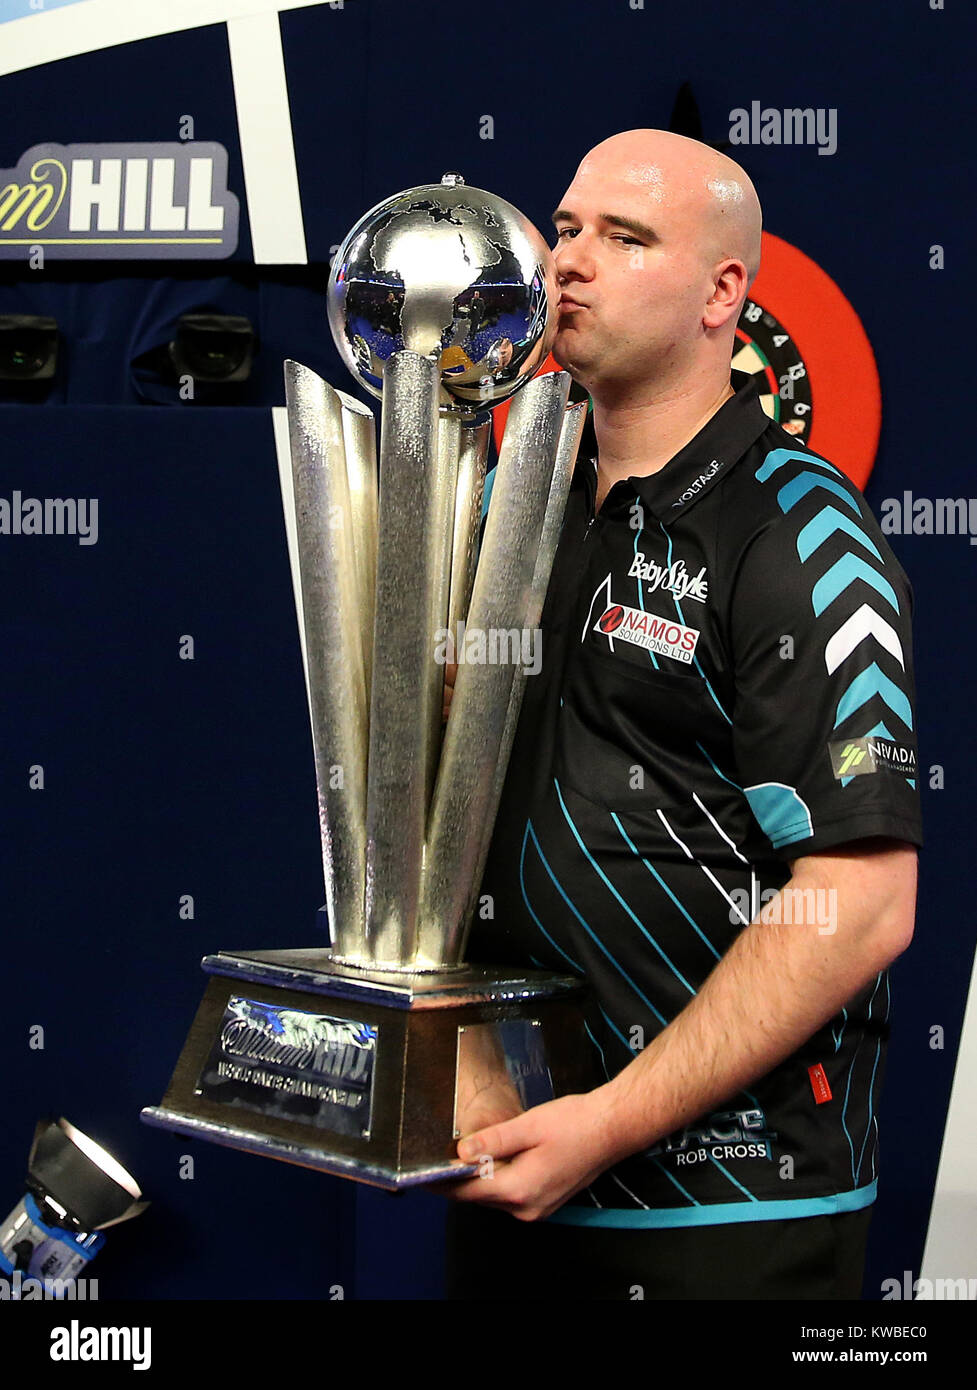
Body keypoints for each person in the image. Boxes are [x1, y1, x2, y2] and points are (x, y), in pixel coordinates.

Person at [440, 129, 922, 1300]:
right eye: (563, 228)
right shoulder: (508, 501)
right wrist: (458, 1060)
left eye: (625, 235)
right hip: (507, 1171)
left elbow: (858, 907)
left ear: (722, 295)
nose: (568, 262)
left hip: (733, 1211)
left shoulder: (799, 537)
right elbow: (438, 807)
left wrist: (605, 1125)